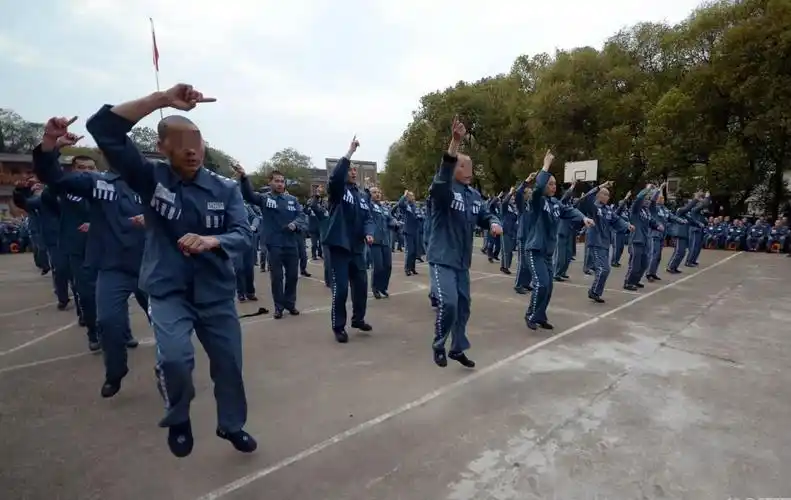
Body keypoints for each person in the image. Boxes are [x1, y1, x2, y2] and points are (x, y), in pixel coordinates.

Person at [85, 83, 256, 458]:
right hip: (168, 291)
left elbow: (244, 233)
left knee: (229, 366)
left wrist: (214, 241)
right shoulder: (151, 179)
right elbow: (103, 127)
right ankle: (178, 416)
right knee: (175, 360)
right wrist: (161, 100)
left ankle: (231, 425)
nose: (191, 150)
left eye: (197, 142)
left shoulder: (225, 189)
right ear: (162, 148)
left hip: (215, 294)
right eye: (180, 143)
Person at [427, 117, 502, 368]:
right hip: (442, 258)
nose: (469, 170)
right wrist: (454, 144)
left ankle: (457, 348)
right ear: (454, 168)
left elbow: (484, 214)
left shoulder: (473, 195)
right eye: (463, 166)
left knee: (463, 307)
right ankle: (439, 344)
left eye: (471, 166)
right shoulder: (443, 189)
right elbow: (442, 175)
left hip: (462, 261)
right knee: (448, 303)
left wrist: (493, 222)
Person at [524, 151, 593, 330]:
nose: (554, 187)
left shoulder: (555, 203)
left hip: (547, 251)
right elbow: (538, 188)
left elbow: (569, 211)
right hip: (535, 249)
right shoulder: (537, 201)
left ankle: (540, 315)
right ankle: (530, 315)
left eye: (555, 184)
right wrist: (545, 165)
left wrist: (583, 218)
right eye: (551, 183)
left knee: (548, 287)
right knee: (541, 284)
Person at [236, 167, 307, 318]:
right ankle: (279, 307)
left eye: (282, 181)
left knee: (293, 276)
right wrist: (244, 178)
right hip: (274, 244)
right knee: (277, 277)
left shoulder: (292, 200)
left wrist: (295, 224)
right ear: (270, 182)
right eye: (277, 181)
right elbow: (248, 195)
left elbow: (301, 216)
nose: (280, 184)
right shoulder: (264, 198)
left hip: (291, 243)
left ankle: (290, 303)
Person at [324, 136, 375, 343]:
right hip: (339, 247)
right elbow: (336, 177)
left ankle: (358, 319)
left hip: (356, 248)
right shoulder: (338, 191)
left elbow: (368, 218)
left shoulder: (362, 196)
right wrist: (350, 152)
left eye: (355, 170)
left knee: (361, 285)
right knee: (341, 289)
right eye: (350, 169)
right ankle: (338, 326)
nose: (353, 172)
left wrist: (369, 231)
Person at [576, 180, 633, 303]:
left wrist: (627, 225)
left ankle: (595, 291)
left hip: (605, 243)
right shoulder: (594, 207)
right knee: (603, 269)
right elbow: (586, 197)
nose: (608, 197)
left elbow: (617, 220)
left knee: (605, 269)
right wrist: (600, 186)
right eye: (605, 194)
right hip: (596, 242)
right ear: (599, 195)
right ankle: (594, 291)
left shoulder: (608, 210)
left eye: (608, 195)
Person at [365, 185, 398, 299]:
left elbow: (390, 219)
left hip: (386, 241)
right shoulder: (369, 206)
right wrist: (366, 190)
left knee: (388, 266)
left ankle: (383, 287)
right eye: (374, 192)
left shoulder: (384, 208)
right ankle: (376, 288)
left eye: (378, 192)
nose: (377, 194)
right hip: (375, 241)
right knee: (378, 267)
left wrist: (395, 222)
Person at [397, 190, 419, 276]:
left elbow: (418, 215)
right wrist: (404, 195)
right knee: (409, 251)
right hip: (408, 231)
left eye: (413, 196)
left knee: (414, 251)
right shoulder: (406, 206)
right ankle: (407, 269)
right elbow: (400, 204)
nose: (412, 197)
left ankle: (413, 268)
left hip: (415, 230)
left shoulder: (415, 206)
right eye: (410, 196)